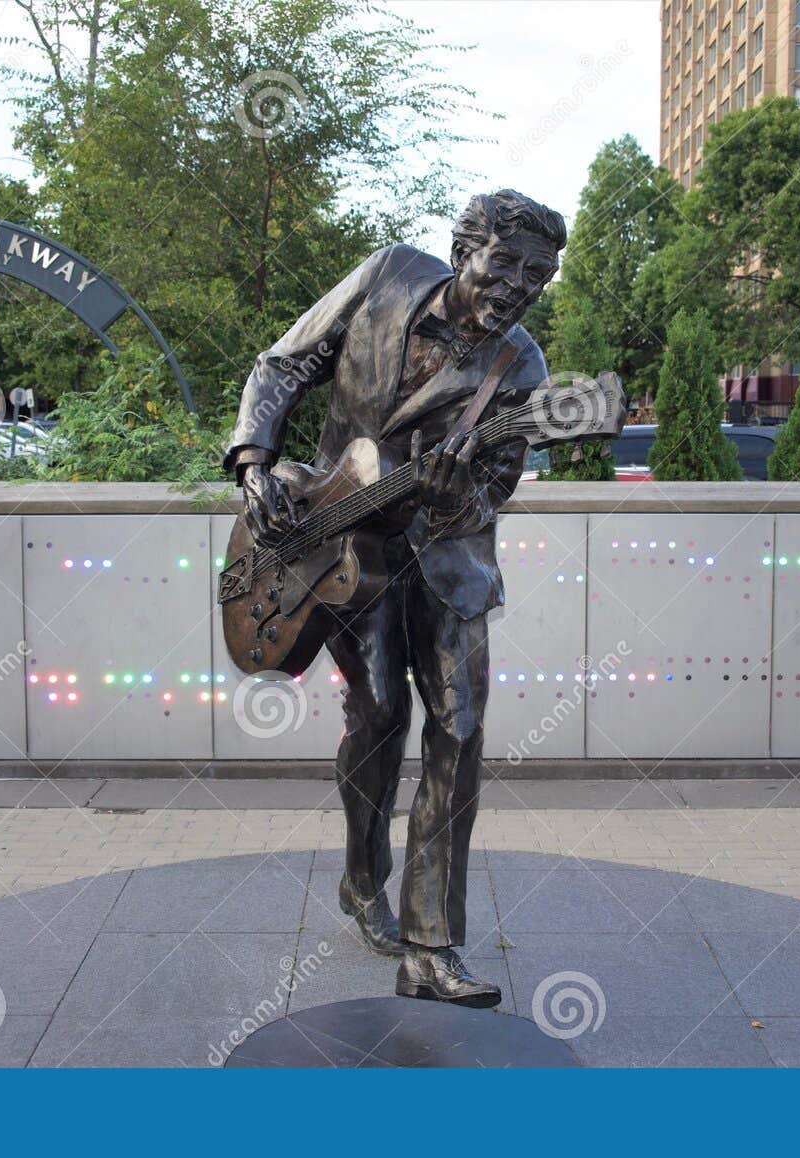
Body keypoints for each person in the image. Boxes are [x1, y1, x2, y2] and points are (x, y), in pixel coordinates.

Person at [225, 190, 566, 1007]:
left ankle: (430, 946)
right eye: (507, 263)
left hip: (446, 559)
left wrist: (454, 497)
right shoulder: (385, 277)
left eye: (539, 275)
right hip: (338, 542)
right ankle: (359, 873)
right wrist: (253, 465)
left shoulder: (522, 370)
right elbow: (284, 365)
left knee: (461, 728)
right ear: (462, 251)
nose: (520, 284)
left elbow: (493, 489)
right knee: (378, 715)